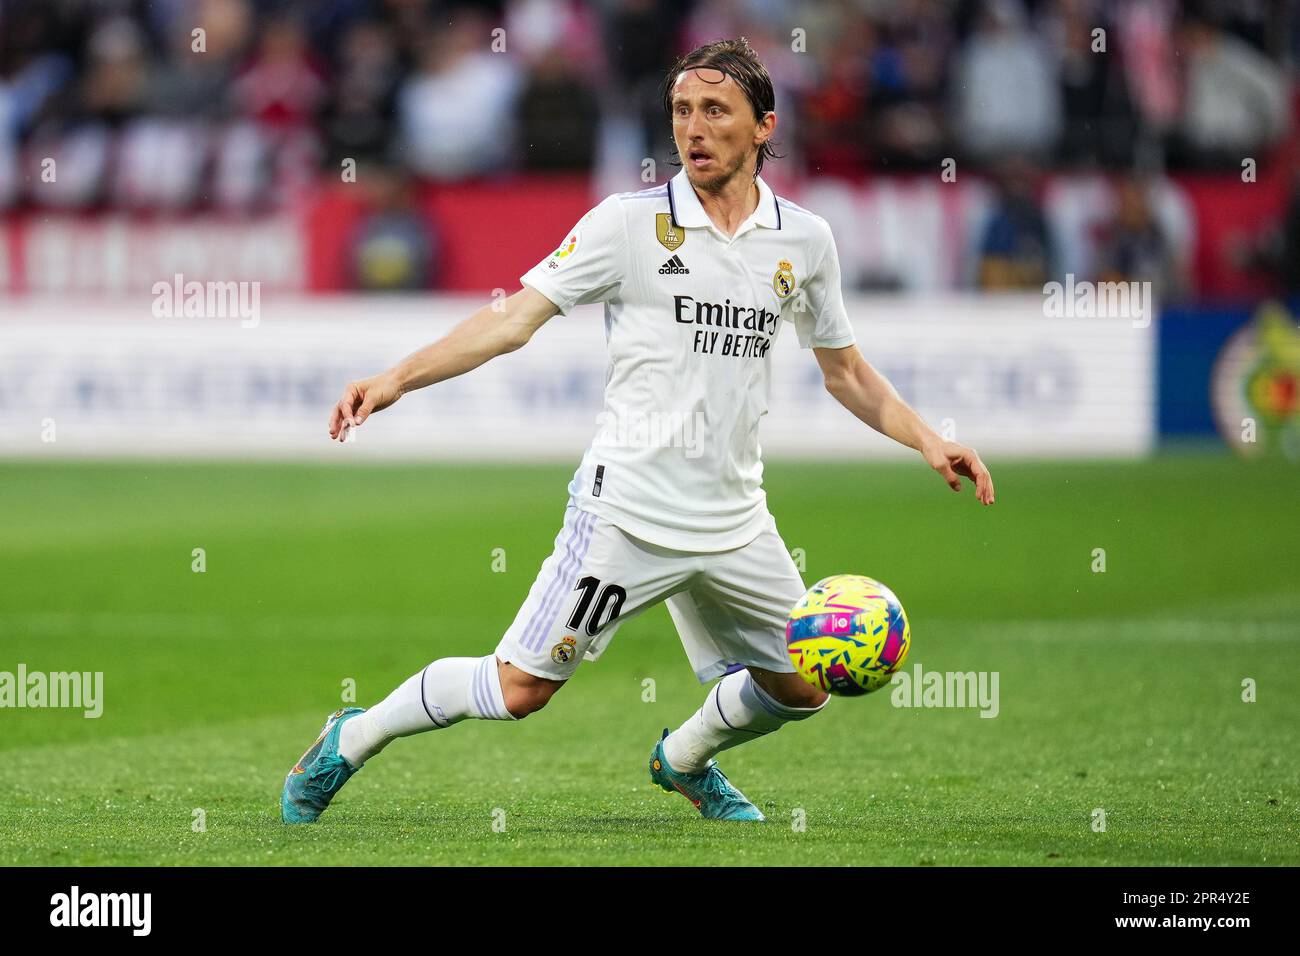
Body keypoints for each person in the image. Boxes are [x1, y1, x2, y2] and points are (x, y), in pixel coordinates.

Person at [281, 37, 994, 825]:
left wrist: (931, 438)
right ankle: (351, 738)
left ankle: (684, 760)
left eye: (715, 111)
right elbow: (513, 320)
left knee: (805, 685)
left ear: (764, 126)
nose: (694, 127)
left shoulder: (805, 241)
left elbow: (847, 372)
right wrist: (395, 379)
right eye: (683, 111)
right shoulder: (630, 225)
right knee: (520, 691)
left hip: (734, 519)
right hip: (627, 512)